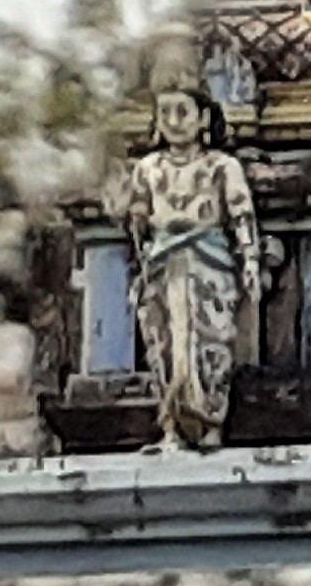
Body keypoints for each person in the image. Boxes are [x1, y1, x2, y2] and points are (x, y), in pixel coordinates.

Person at [110, 82, 260, 451]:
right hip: (162, 262)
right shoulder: (148, 168)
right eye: (166, 114)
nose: (174, 122)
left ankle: (210, 423)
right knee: (163, 345)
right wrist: (126, 211)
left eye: (183, 112)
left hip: (208, 261)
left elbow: (242, 215)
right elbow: (137, 221)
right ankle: (173, 428)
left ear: (204, 117)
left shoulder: (222, 166)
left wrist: (252, 260)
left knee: (210, 341)